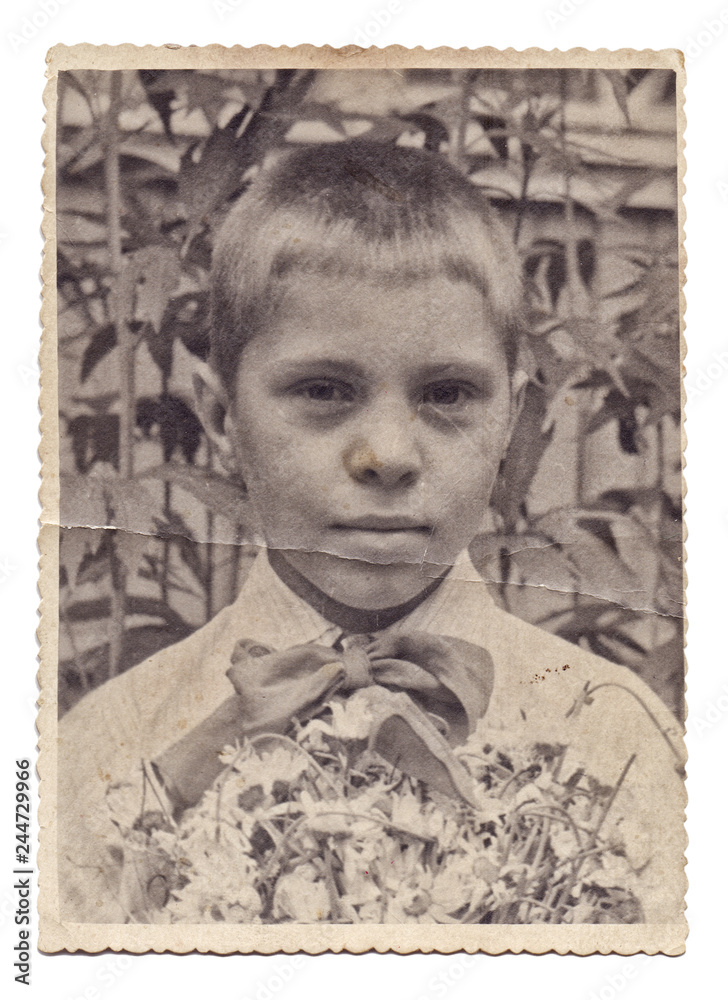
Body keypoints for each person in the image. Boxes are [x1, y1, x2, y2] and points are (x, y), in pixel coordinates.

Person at [55, 140, 685, 926]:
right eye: (323, 390)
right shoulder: (101, 754)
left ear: (508, 423)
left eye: (448, 393)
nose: (387, 454)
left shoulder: (616, 738)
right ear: (224, 419)